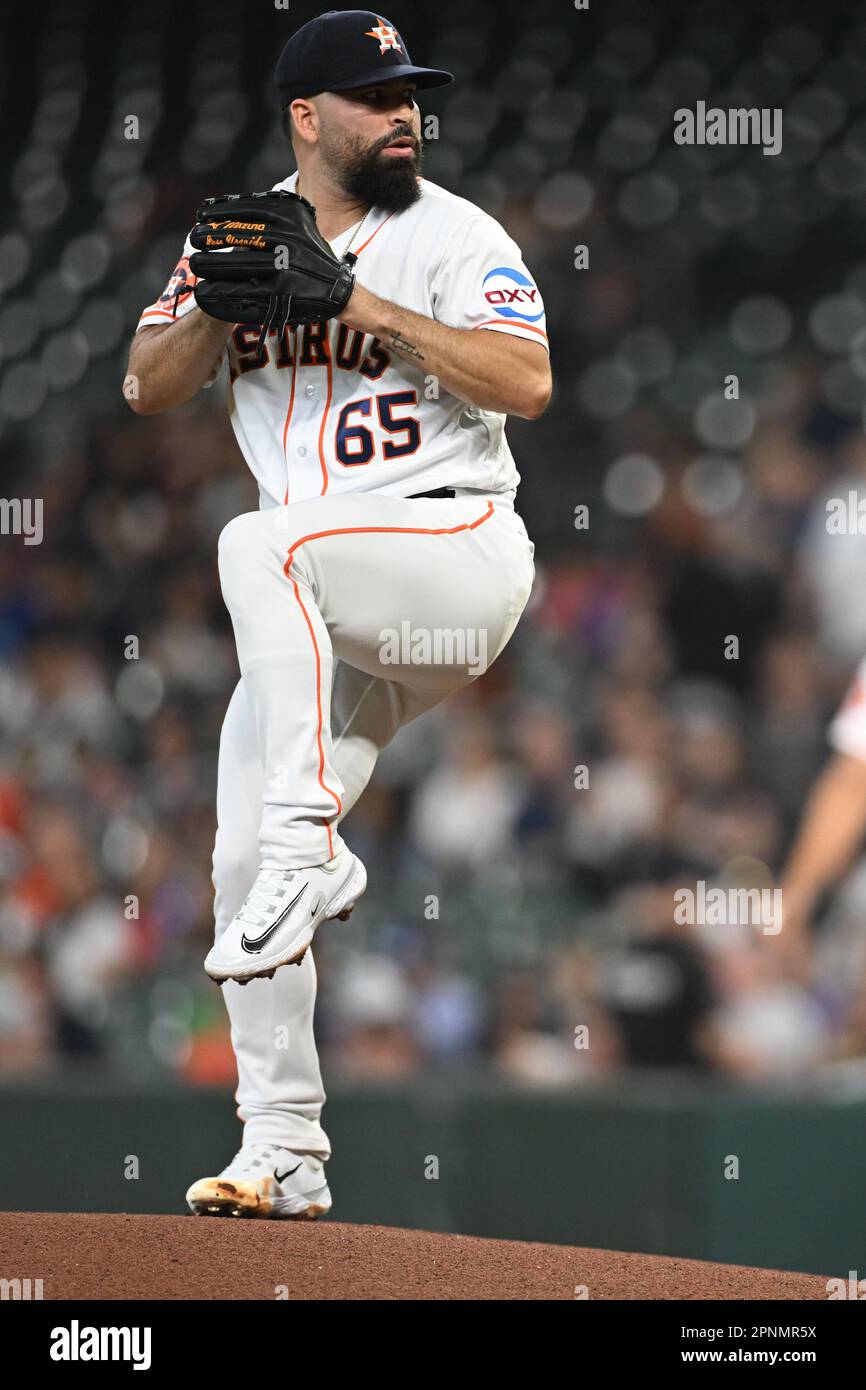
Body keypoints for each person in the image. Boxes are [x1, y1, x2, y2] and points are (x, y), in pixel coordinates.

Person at [124, 10, 551, 1220]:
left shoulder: (456, 235)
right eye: (375, 96)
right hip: (316, 602)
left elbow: (526, 379)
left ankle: (317, 839)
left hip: (453, 553)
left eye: (410, 92)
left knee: (257, 539)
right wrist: (213, 303)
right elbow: (145, 384)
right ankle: (284, 1148)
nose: (404, 112)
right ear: (307, 118)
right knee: (242, 860)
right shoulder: (244, 231)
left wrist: (365, 306)